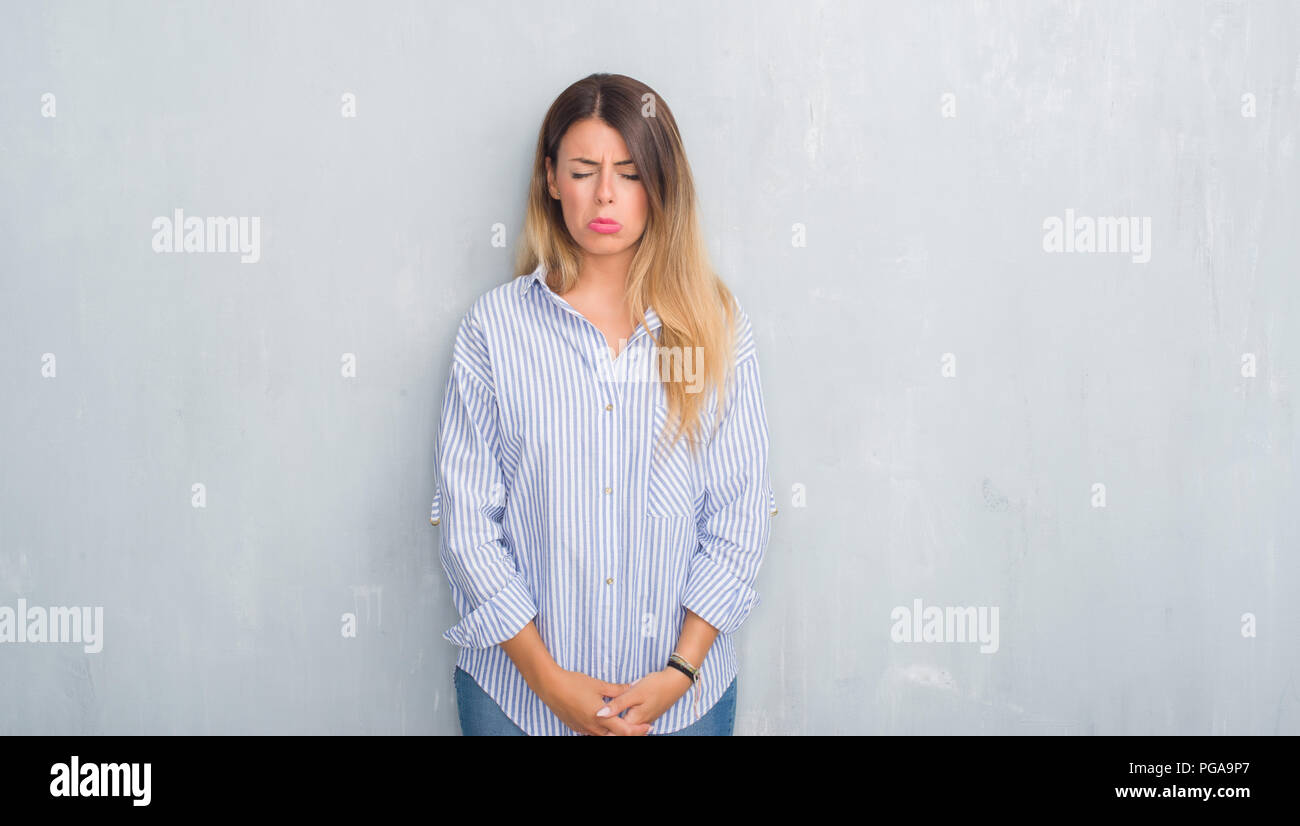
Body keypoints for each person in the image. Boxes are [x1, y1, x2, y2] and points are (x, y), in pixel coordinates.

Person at [429, 73, 777, 735]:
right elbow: (470, 524)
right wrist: (548, 683)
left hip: (683, 706)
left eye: (630, 172)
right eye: (584, 170)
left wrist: (680, 670)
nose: (606, 194)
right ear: (552, 179)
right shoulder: (494, 330)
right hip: (516, 702)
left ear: (661, 183)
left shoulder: (717, 325)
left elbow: (739, 513)